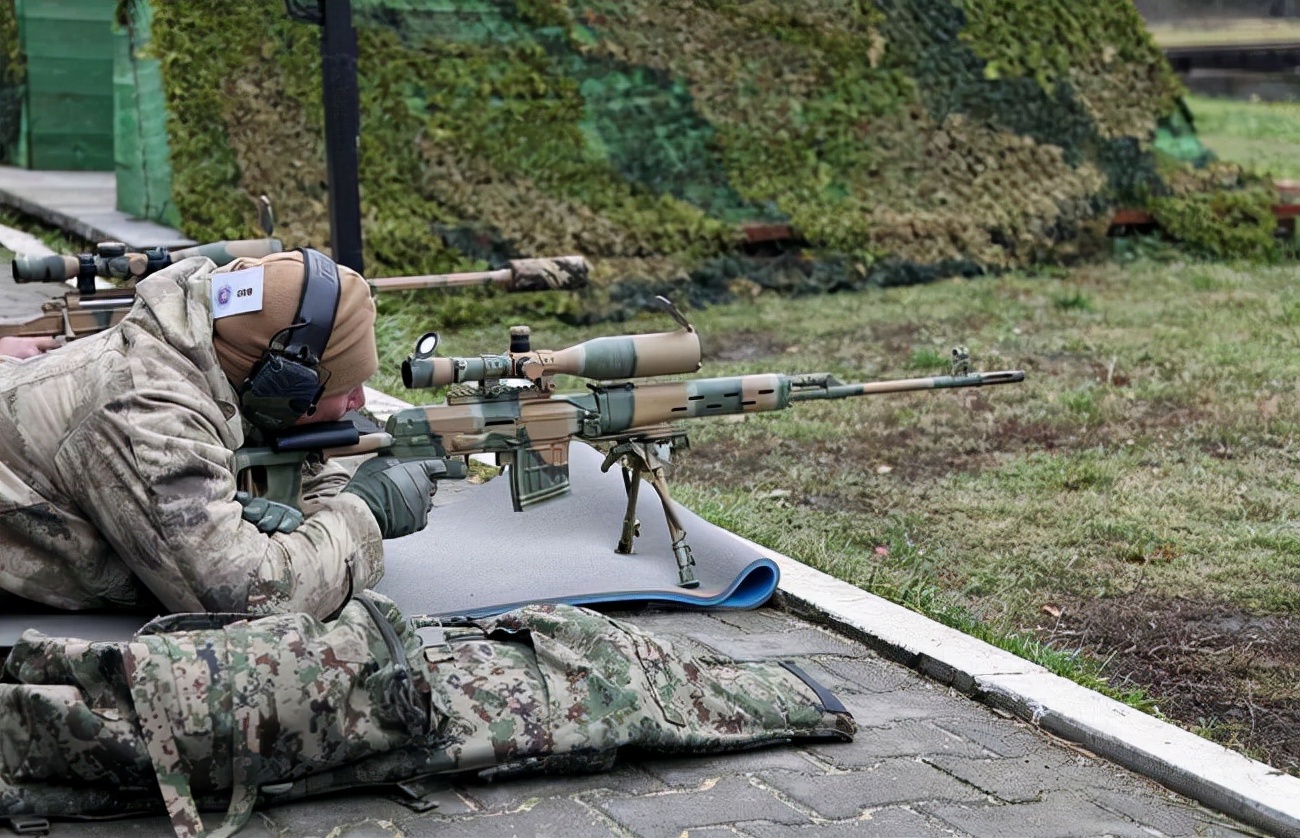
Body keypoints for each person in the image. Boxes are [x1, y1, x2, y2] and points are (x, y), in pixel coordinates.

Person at [0, 249, 444, 620]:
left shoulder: (213, 354)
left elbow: (290, 464)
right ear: (284, 388)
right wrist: (363, 512)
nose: (360, 403)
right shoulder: (148, 414)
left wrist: (311, 509)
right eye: (346, 387)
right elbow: (247, 601)